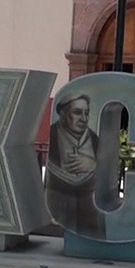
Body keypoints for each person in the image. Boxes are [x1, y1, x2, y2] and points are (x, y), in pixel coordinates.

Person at [45, 94, 103, 235]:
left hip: (90, 207)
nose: (83, 119)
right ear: (63, 114)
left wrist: (94, 165)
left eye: (86, 113)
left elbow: (107, 171)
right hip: (59, 202)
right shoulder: (51, 135)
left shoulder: (96, 140)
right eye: (77, 112)